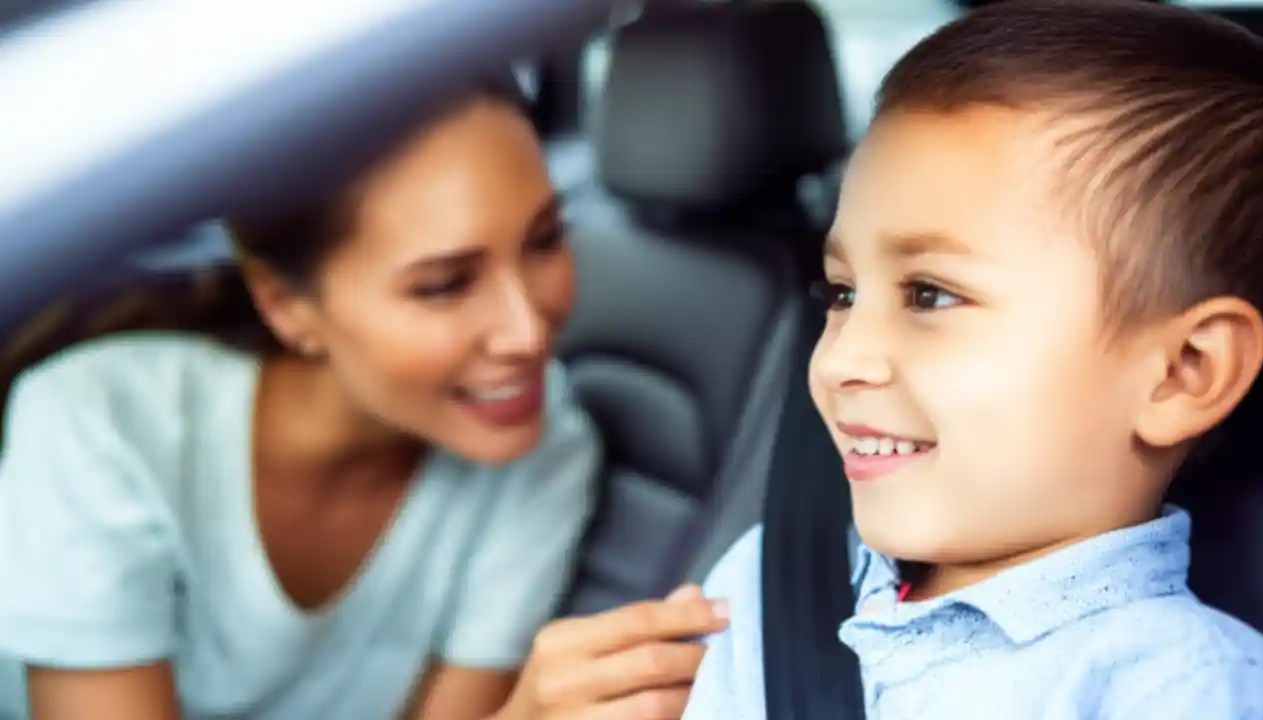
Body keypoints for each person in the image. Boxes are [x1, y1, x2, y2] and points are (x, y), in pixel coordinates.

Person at [0, 76, 727, 720]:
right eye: (444, 285)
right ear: (286, 304)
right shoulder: (96, 423)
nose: (528, 331)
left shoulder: (546, 447)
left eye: (545, 239)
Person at [686, 1, 1263, 718]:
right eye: (842, 293)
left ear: (1184, 371)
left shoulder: (1188, 690)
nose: (843, 357)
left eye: (931, 296)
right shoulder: (766, 584)